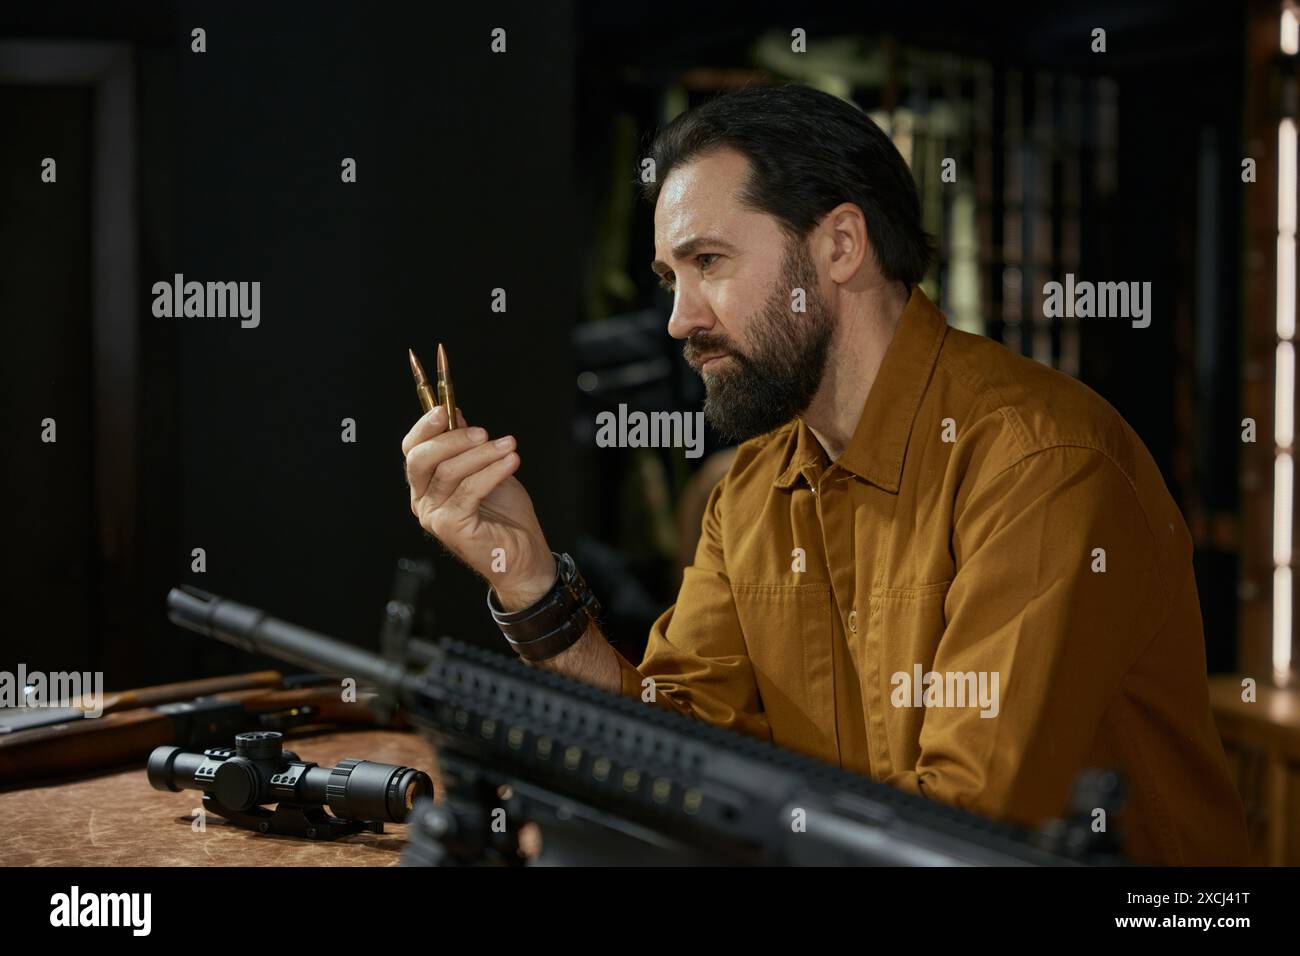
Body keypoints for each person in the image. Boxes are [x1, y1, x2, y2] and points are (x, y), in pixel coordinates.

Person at [401, 84, 1249, 865]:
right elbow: (668, 743)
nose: (678, 320)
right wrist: (527, 576)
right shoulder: (753, 487)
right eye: (670, 277)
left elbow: (955, 831)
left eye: (710, 263)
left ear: (841, 245)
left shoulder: (1041, 466)